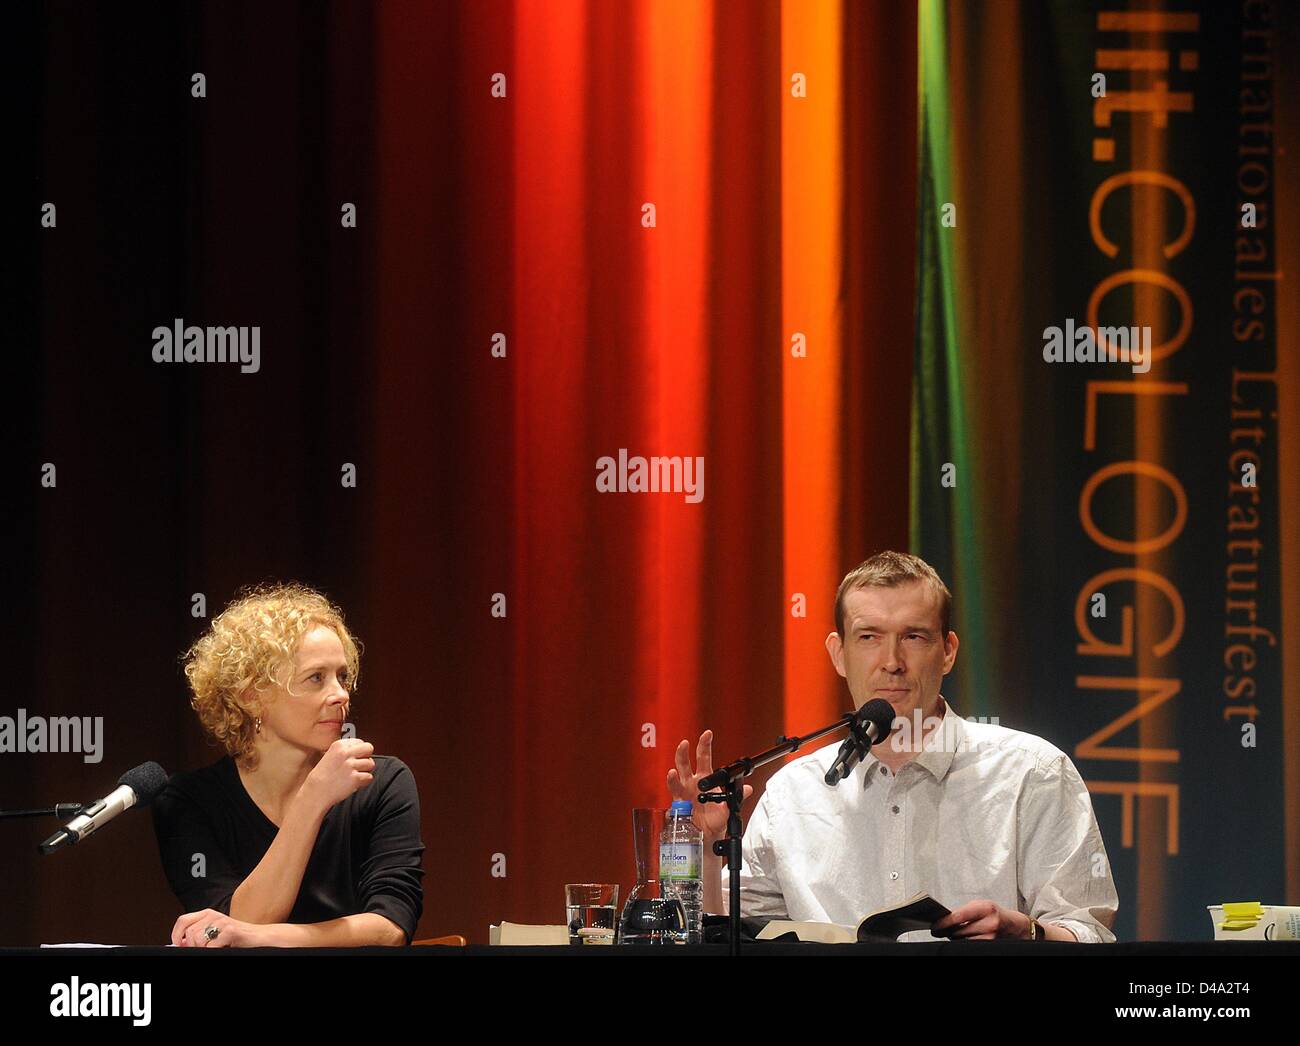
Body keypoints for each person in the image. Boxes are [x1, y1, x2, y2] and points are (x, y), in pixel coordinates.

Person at [668, 551, 1119, 942]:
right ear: (839, 654)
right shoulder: (793, 792)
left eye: (913, 637)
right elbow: (736, 938)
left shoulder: (1032, 772)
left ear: (948, 651)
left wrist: (1027, 933)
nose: (892, 662)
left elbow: (1090, 933)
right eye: (869, 637)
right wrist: (706, 850)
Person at [152, 583, 424, 947]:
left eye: (342, 677)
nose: (341, 694)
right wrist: (313, 799)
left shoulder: (382, 781)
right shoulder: (187, 801)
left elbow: (391, 928)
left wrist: (258, 936)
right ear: (251, 696)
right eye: (316, 678)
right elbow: (229, 931)